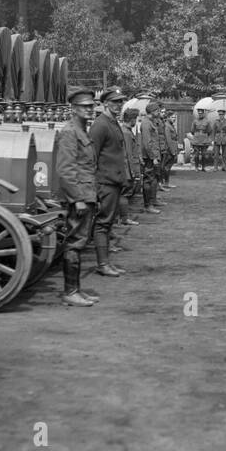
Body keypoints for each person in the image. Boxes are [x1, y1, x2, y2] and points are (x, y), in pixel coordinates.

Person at [53, 88, 101, 306]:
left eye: (91, 106)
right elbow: (66, 170)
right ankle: (70, 292)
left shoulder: (82, 130)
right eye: (85, 106)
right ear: (74, 109)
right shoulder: (70, 132)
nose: (90, 110)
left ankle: (75, 290)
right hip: (79, 196)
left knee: (79, 242)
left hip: (87, 193)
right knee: (74, 243)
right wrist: (77, 199)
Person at [88, 87, 129, 278]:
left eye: (120, 102)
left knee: (108, 223)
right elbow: (92, 156)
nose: (118, 105)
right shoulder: (101, 125)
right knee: (102, 224)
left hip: (114, 180)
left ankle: (106, 263)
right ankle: (102, 264)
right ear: (104, 103)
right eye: (114, 102)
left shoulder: (112, 123)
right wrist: (94, 185)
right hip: (105, 181)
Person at [121, 106, 145, 222]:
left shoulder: (127, 131)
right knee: (125, 193)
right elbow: (128, 154)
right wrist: (133, 172)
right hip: (128, 169)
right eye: (135, 119)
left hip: (130, 167)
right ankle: (124, 218)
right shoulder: (126, 133)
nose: (136, 121)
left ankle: (124, 216)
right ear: (131, 119)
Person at [138, 100, 164, 210]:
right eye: (157, 110)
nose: (159, 112)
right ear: (152, 111)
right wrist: (153, 157)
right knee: (148, 180)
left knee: (154, 179)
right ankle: (148, 205)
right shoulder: (146, 123)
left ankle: (153, 200)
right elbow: (147, 143)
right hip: (149, 157)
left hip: (154, 155)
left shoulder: (152, 121)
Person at [161, 110, 179, 188]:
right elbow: (168, 139)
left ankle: (166, 182)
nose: (174, 119)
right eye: (172, 117)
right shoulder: (167, 126)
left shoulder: (171, 125)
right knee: (166, 167)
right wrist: (172, 151)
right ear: (168, 117)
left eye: (175, 117)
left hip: (173, 148)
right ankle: (165, 183)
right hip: (169, 149)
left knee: (168, 167)